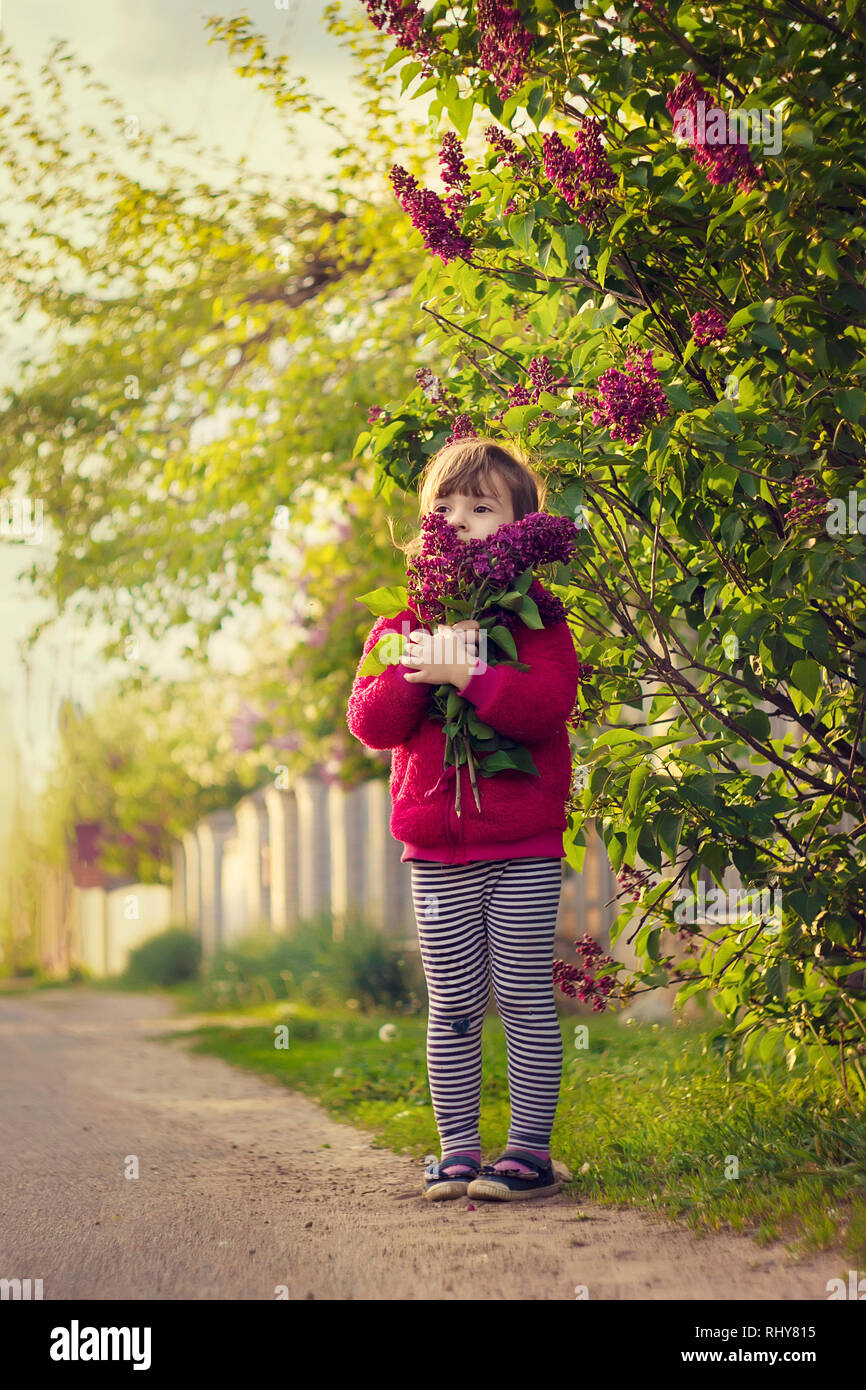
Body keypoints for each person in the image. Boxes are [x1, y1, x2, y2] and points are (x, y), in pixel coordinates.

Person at [346, 437, 579, 1202]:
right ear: (422, 529)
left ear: (518, 529)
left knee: (521, 995)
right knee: (452, 1005)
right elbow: (372, 723)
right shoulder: (396, 629)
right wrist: (419, 669)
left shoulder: (538, 623)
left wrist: (473, 672)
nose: (459, 520)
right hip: (437, 852)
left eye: (482, 508)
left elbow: (543, 711)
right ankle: (455, 1150)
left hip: (522, 846)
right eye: (443, 507)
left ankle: (529, 1151)